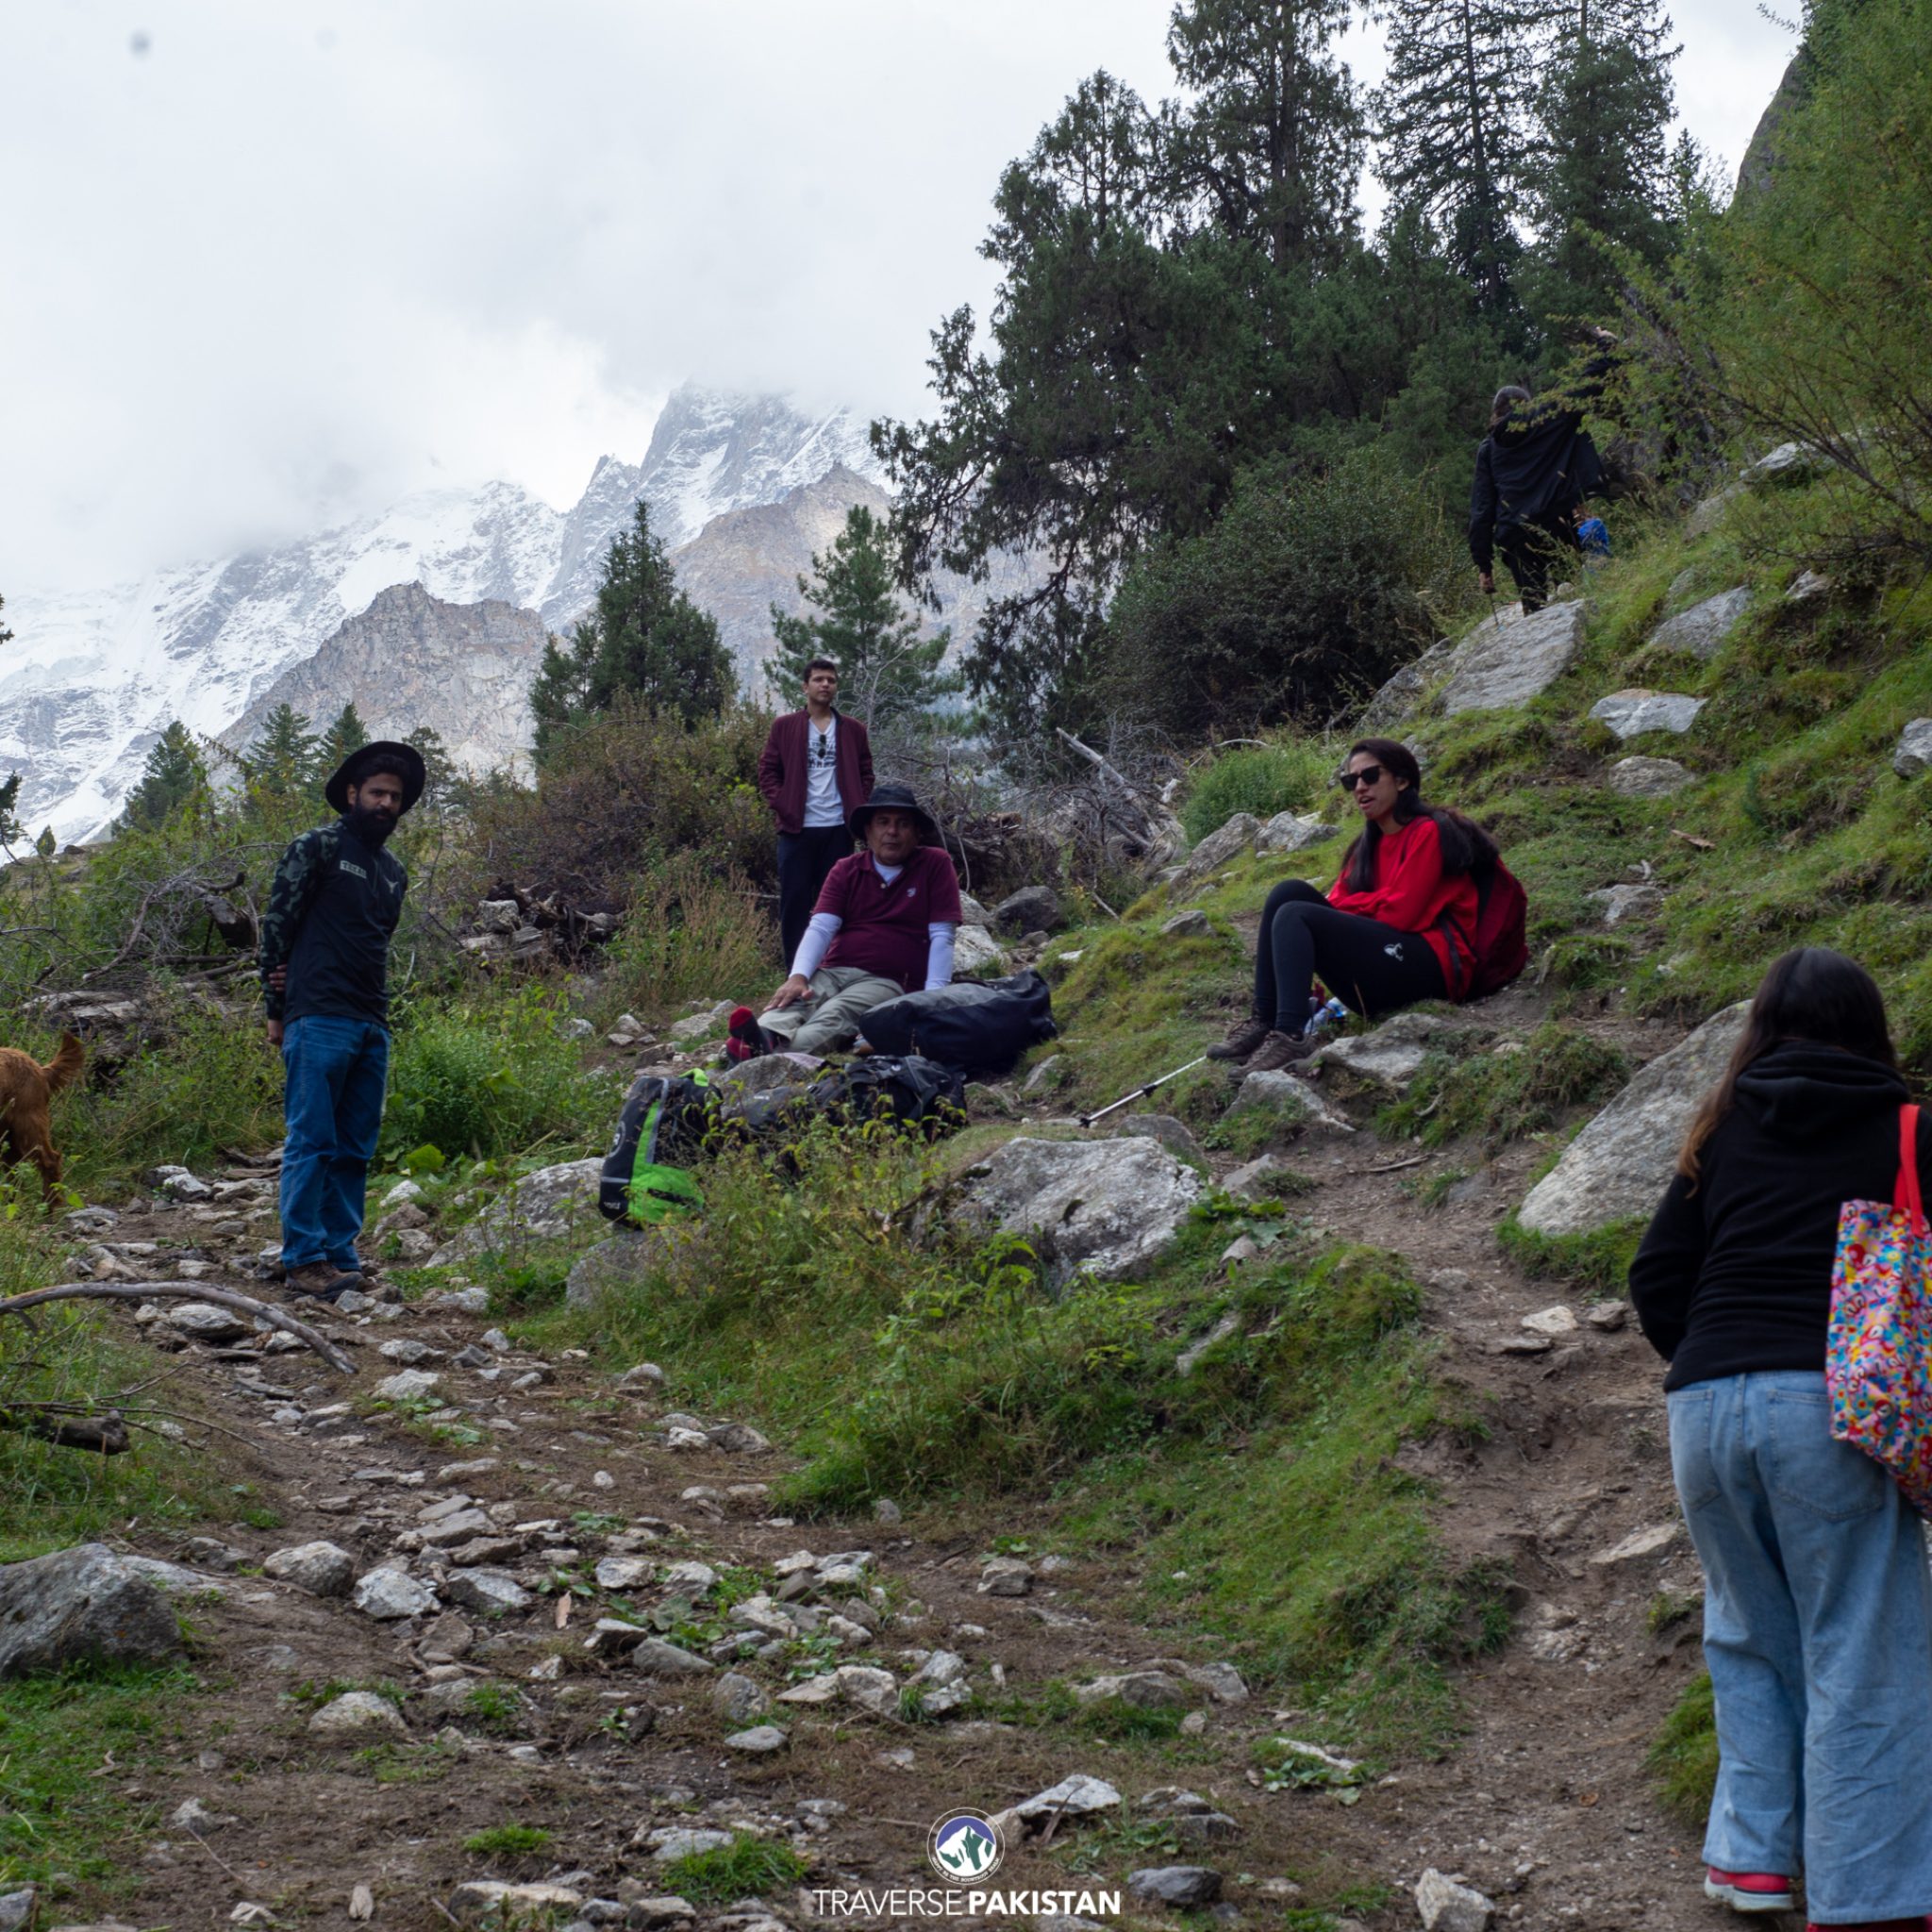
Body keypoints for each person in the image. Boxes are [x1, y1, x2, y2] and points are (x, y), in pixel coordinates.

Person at [1629, 948, 1932, 1932]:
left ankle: (1751, 1861)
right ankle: (1869, 1898)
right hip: (1831, 1411)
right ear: (1869, 1025)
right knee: (1861, 1645)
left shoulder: (1720, 1129)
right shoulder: (1906, 1129)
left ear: (1759, 1026)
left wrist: (1718, 1362)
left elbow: (1655, 1275)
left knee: (1747, 1634)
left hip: (1701, 1405)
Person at [1207, 739, 1494, 1074]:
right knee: (1286, 893)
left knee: (1295, 914)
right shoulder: (1366, 845)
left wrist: (1362, 905)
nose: (1359, 787)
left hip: (1431, 971)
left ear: (1402, 780)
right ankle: (1264, 1020)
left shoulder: (1428, 832)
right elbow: (1339, 903)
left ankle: (1291, 1034)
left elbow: (1401, 915)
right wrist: (1379, 900)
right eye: (1351, 781)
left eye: (1370, 776)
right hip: (1382, 970)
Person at [258, 740, 425, 1301]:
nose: (386, 804)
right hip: (318, 1014)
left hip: (371, 1019)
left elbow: (378, 939)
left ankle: (340, 1252)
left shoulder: (394, 872)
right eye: (377, 793)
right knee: (311, 1139)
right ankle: (304, 1258)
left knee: (356, 1145)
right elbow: (277, 925)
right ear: (352, 794)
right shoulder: (318, 847)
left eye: (395, 797)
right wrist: (275, 1008)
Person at [727, 781, 961, 1060]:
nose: (892, 831)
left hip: (889, 979)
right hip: (835, 970)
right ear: (868, 830)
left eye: (903, 824)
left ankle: (767, 1054)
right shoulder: (846, 869)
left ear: (916, 832)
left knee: (838, 1012)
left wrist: (932, 998)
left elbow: (942, 935)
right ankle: (762, 1035)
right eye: (883, 822)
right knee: (797, 998)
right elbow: (821, 928)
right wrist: (798, 977)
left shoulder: (934, 864)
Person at [1469, 328, 1617, 614]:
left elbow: (1481, 509)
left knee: (1534, 608)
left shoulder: (1489, 449)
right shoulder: (1551, 417)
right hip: (1559, 522)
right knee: (1572, 596)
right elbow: (1587, 385)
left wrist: (1483, 565)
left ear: (1496, 413)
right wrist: (1607, 345)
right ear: (1529, 404)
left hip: (1517, 536)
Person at [757, 658, 874, 969]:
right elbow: (768, 771)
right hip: (796, 830)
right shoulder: (785, 727)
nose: (825, 684)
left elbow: (866, 771)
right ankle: (795, 974)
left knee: (835, 905)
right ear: (805, 686)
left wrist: (858, 805)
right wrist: (783, 803)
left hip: (838, 829)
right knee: (794, 903)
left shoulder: (853, 730)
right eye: (819, 679)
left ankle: (830, 970)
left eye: (831, 680)